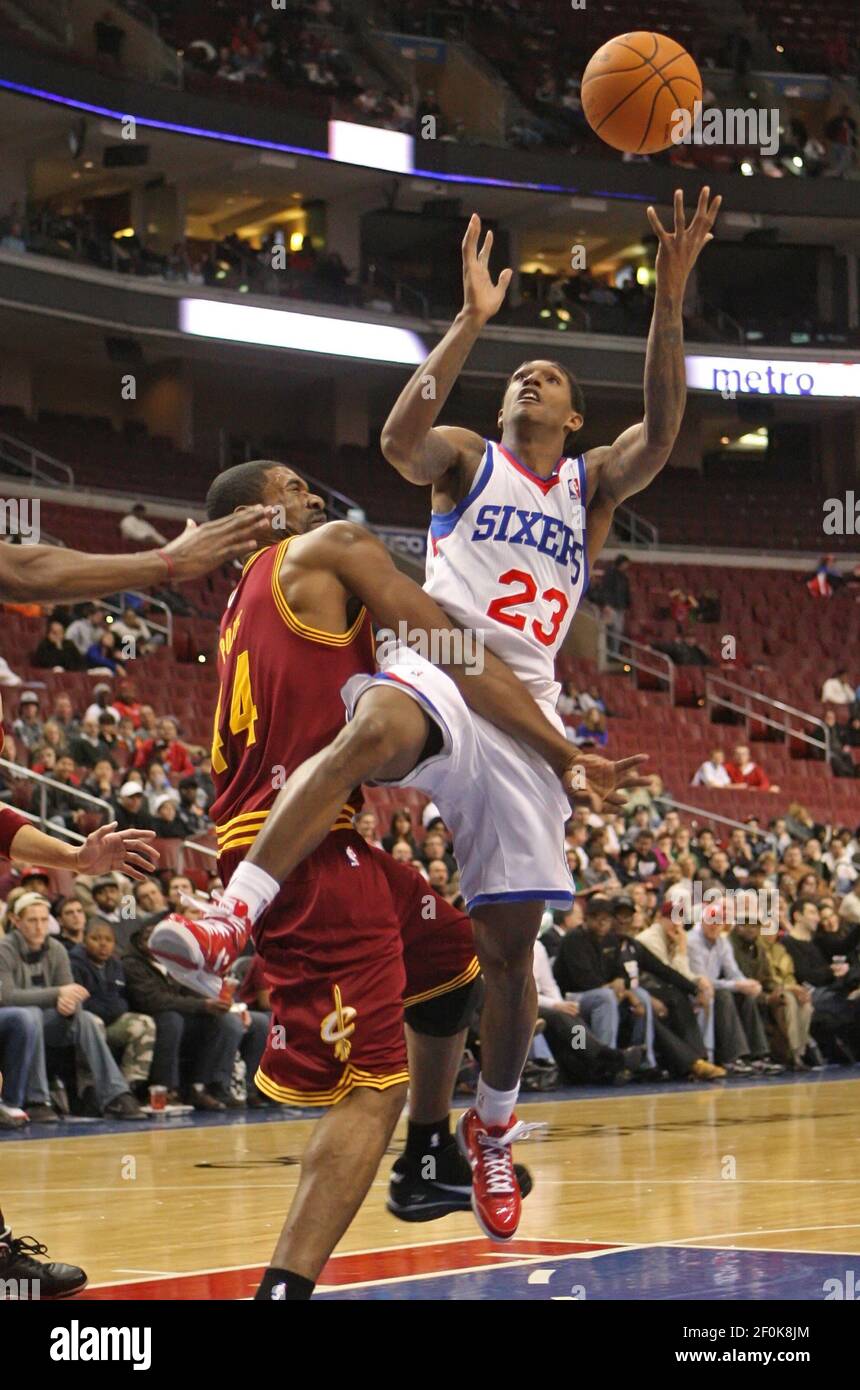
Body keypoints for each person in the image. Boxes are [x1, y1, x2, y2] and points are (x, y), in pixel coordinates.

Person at [147, 460, 638, 1294]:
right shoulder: (330, 547)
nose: (315, 496)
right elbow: (455, 647)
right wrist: (559, 746)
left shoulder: (242, 602)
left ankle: (428, 1157)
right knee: (372, 1088)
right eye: (298, 488)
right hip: (301, 857)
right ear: (267, 512)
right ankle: (285, 1289)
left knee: (452, 962)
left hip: (314, 834)